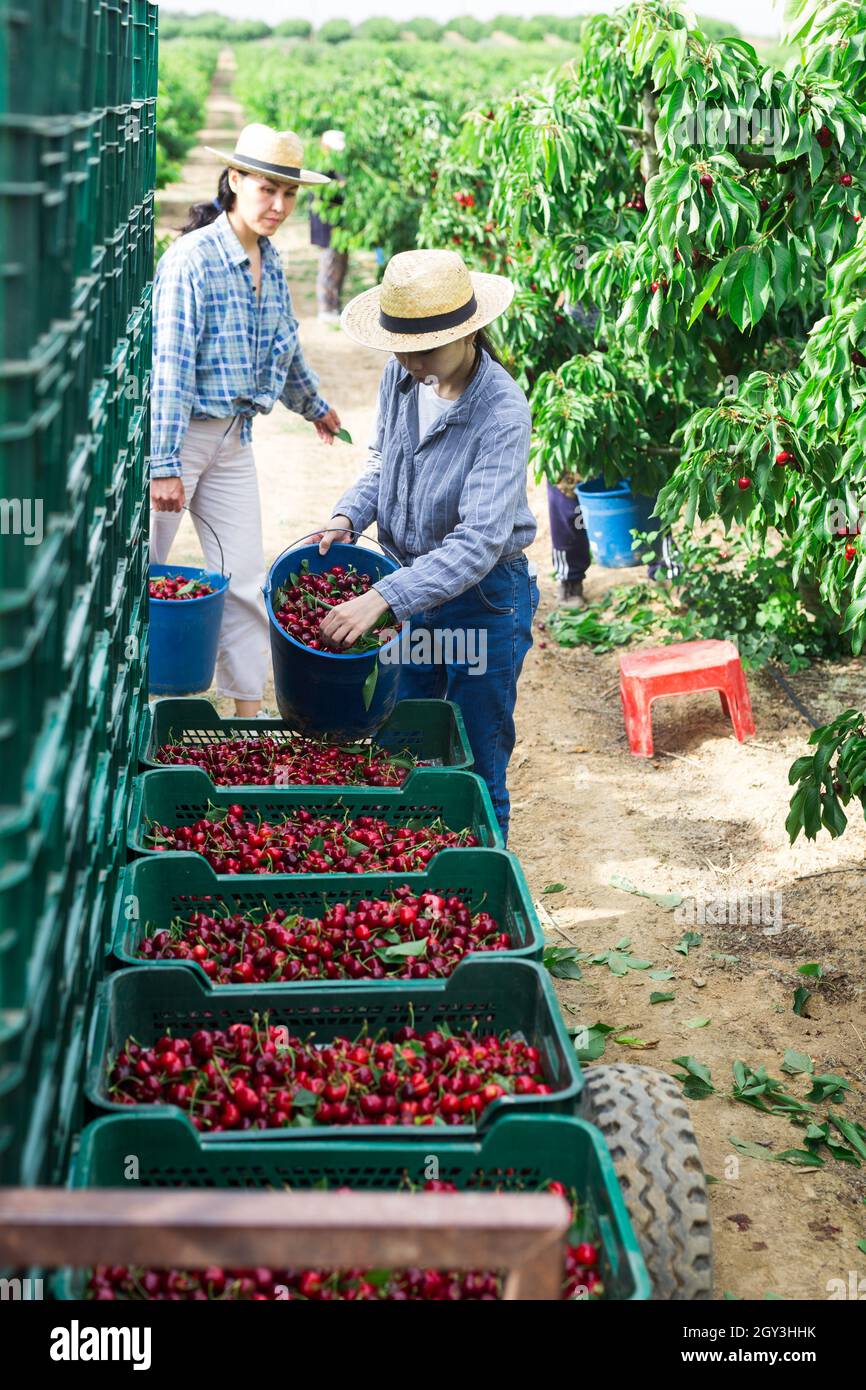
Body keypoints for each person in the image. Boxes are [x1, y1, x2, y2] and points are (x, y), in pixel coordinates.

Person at [312, 248, 539, 844]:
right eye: (400, 347)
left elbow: (477, 544)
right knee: (402, 744)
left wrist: (383, 598)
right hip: (409, 593)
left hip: (484, 601)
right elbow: (384, 460)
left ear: (467, 335)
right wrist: (348, 514)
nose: (410, 361)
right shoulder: (403, 376)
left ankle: (481, 896)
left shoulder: (501, 412)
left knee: (475, 759)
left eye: (425, 349)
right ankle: (413, 890)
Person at [148, 124, 342, 716]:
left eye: (289, 194)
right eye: (267, 189)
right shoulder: (192, 261)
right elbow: (170, 368)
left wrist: (317, 406)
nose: (279, 206)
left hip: (234, 438)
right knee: (145, 576)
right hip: (182, 436)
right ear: (234, 180)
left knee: (244, 578)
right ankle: (138, 701)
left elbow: (285, 345)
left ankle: (244, 715)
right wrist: (164, 465)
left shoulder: (273, 260)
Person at [310, 129, 349, 323]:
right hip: (327, 227)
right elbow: (322, 199)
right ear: (325, 147)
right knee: (329, 265)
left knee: (340, 265)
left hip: (339, 227)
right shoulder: (322, 168)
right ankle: (326, 308)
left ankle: (335, 305)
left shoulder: (337, 166)